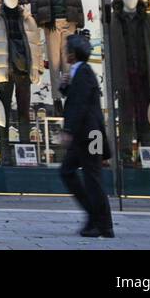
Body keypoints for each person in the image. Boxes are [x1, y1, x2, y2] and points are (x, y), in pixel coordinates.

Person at [58, 33, 113, 237]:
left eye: (67, 50)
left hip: (89, 136)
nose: (65, 53)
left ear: (73, 54)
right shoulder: (79, 72)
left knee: (92, 178)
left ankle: (103, 223)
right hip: (87, 136)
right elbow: (77, 99)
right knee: (70, 172)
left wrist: (68, 131)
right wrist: (65, 87)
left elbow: (79, 105)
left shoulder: (83, 73)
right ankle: (94, 217)